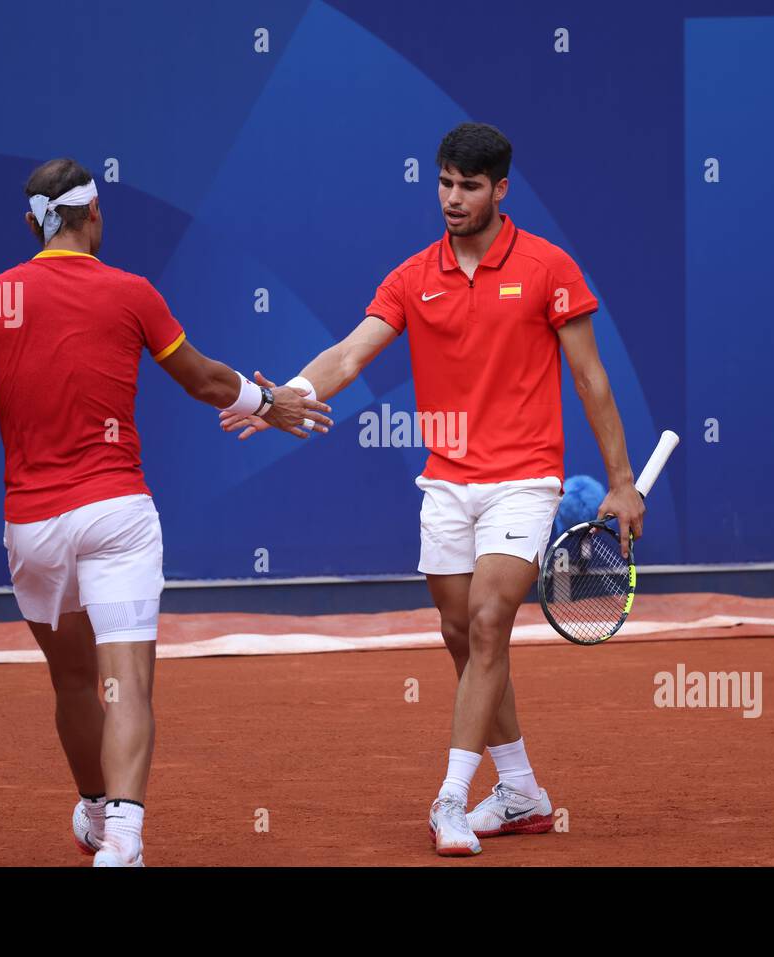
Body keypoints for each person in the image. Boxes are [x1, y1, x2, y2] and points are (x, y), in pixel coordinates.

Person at [0, 157, 332, 866]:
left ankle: (99, 814)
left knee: (71, 681)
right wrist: (269, 403)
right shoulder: (131, 292)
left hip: (33, 528)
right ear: (93, 215)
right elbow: (203, 379)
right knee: (124, 679)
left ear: (30, 224)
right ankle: (122, 835)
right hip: (117, 511)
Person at [222, 123, 645, 856]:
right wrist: (284, 395)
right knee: (462, 637)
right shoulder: (413, 276)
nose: (452, 198)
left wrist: (621, 481)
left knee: (487, 623)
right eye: (444, 182)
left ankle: (450, 798)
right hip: (447, 483)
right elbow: (352, 353)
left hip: (525, 477)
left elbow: (591, 379)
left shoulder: (549, 268)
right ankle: (521, 791)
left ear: (500, 189)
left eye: (468, 186)